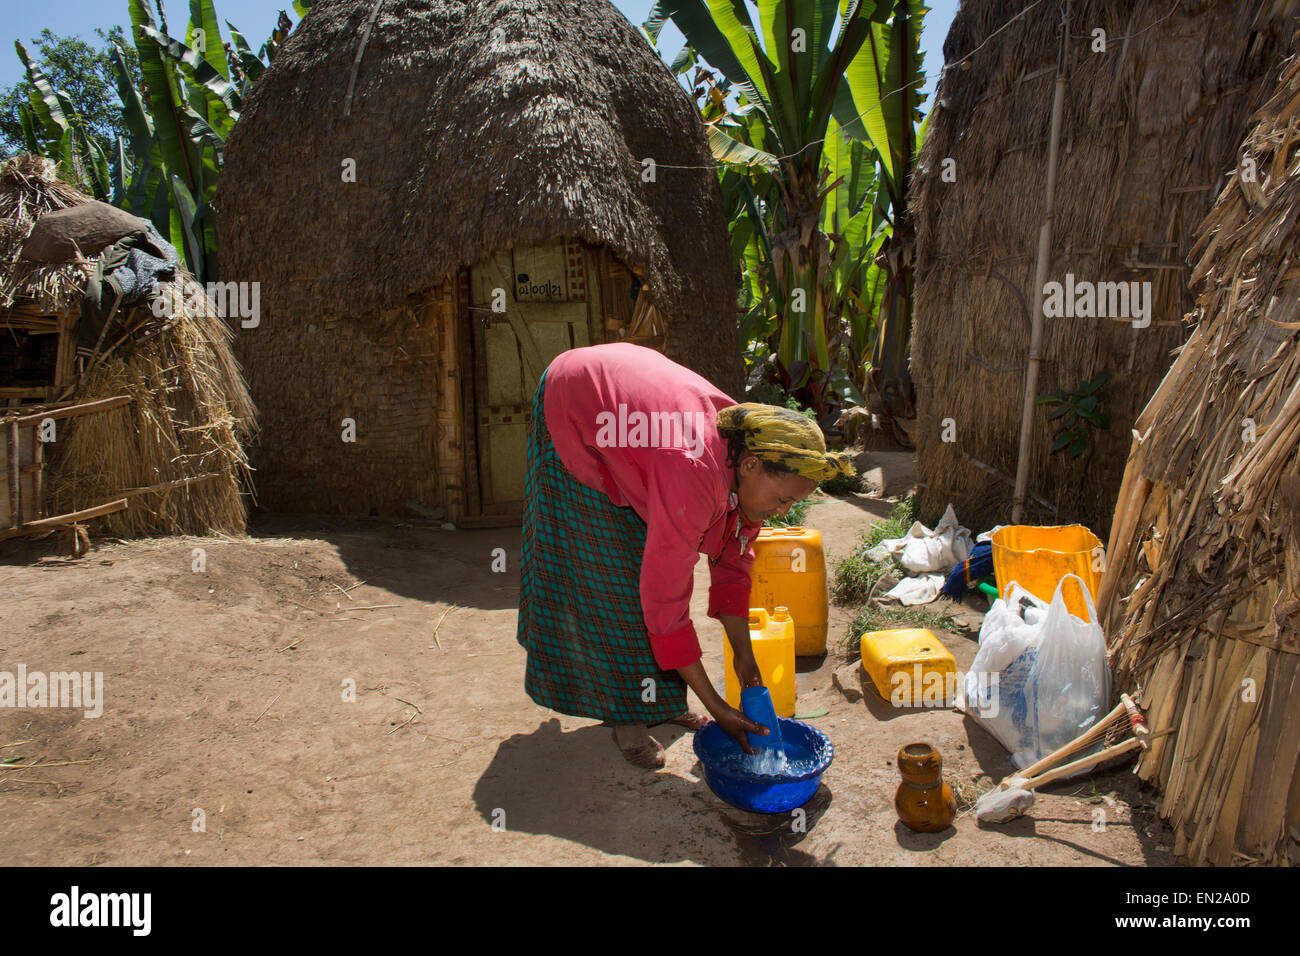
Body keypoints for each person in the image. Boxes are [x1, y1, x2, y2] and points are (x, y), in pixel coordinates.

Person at [516, 342, 854, 768]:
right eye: (783, 498)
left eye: (790, 504)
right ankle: (628, 715)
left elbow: (733, 562)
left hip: (637, 421)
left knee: (647, 560)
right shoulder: (693, 469)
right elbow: (663, 603)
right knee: (617, 580)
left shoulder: (753, 452)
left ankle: (658, 701)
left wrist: (747, 664)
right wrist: (717, 707)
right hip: (576, 405)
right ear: (749, 467)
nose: (782, 512)